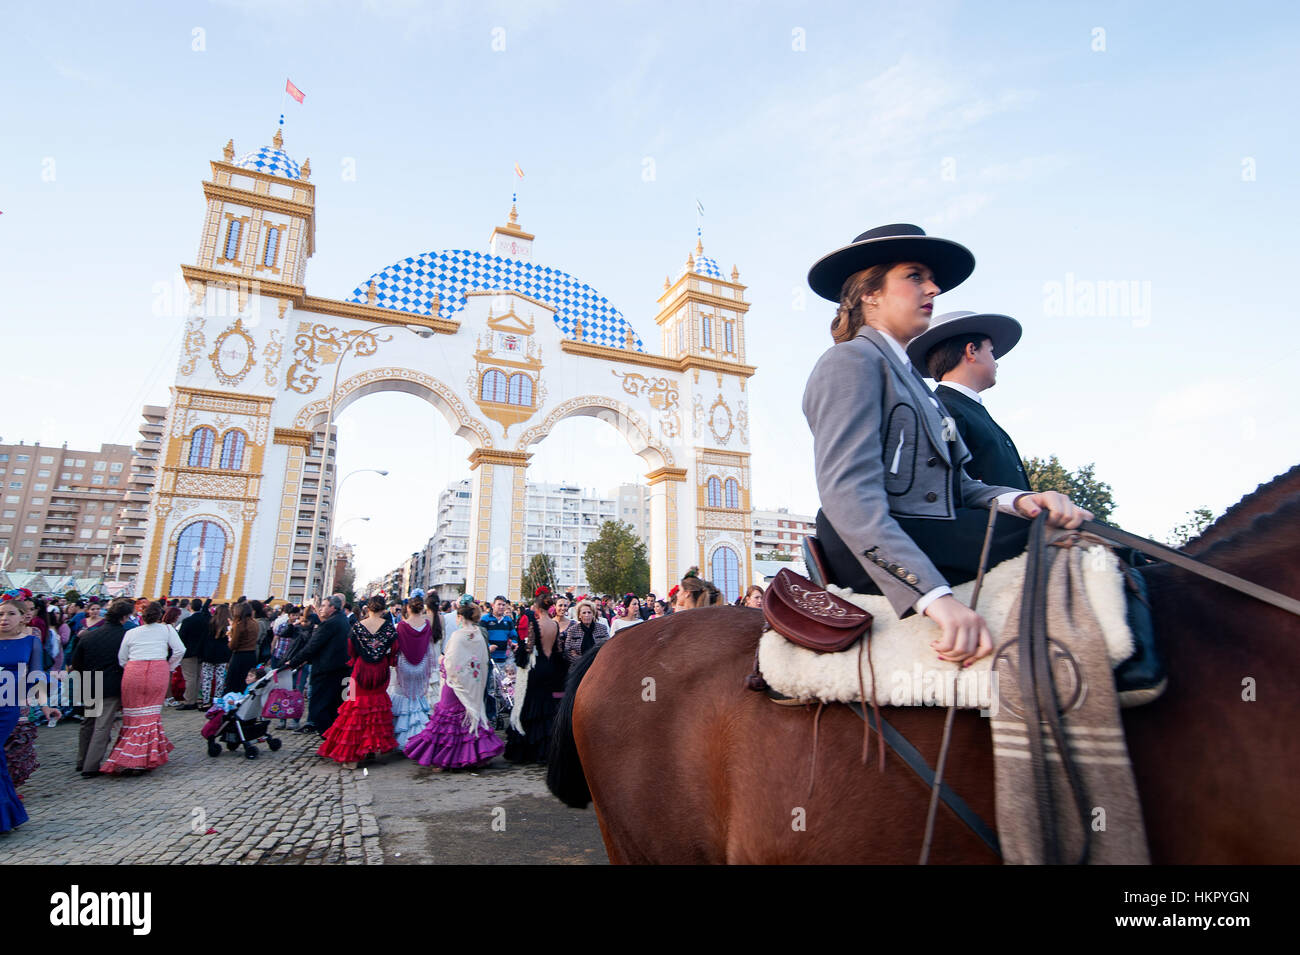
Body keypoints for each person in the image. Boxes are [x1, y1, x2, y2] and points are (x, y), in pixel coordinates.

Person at [803, 223, 1090, 666]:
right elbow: (847, 497)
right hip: (879, 540)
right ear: (869, 294)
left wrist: (1024, 500)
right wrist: (934, 596)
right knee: (1071, 545)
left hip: (933, 527)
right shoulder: (850, 361)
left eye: (930, 278)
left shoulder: (917, 385)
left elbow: (962, 486)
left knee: (1075, 531)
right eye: (914, 276)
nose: (933, 288)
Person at [404, 595, 504, 771]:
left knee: (448, 719)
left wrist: (442, 660)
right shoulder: (479, 635)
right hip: (472, 685)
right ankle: (475, 754)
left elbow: (450, 661)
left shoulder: (458, 636)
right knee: (470, 715)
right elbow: (482, 660)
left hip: (454, 684)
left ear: (460, 617)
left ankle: (445, 758)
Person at [99, 601, 185, 774]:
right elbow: (180, 650)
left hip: (133, 670)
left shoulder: (131, 632)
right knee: (151, 714)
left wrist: (132, 667)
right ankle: (143, 757)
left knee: (132, 715)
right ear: (160, 615)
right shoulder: (167, 629)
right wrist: (169, 666)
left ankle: (129, 755)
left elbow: (122, 657)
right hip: (157, 669)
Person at [318, 596, 399, 769]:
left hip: (360, 669)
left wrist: (356, 659)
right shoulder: (389, 628)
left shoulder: (358, 626)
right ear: (383, 609)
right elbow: (395, 649)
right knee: (375, 707)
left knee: (355, 707)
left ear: (367, 609)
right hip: (381, 670)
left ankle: (352, 755)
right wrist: (389, 660)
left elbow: (351, 649)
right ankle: (370, 749)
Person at [505, 588, 568, 763]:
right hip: (551, 666)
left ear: (537, 607)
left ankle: (530, 749)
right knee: (546, 707)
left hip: (536, 668)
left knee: (530, 706)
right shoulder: (555, 624)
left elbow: (529, 648)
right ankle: (547, 748)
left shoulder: (535, 623)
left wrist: (520, 656)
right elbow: (558, 649)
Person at [70, 598, 130, 776]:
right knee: (102, 725)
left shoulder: (89, 635)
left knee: (88, 722)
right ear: (124, 617)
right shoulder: (124, 637)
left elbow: (76, 663)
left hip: (90, 681)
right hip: (110, 684)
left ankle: (81, 760)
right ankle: (91, 766)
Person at [285, 595, 351, 735]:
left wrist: (292, 662)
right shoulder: (341, 620)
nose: (320, 609)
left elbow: (312, 646)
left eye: (323, 606)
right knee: (332, 707)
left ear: (332, 608)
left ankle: (329, 737)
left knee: (319, 708)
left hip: (327, 670)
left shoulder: (330, 624)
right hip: (338, 670)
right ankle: (332, 737)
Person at [391, 594, 439, 750]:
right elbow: (429, 648)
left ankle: (403, 735)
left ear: (408, 608)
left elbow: (395, 648)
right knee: (417, 697)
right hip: (421, 664)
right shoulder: (426, 625)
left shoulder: (400, 626)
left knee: (404, 697)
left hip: (404, 664)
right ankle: (418, 733)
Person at [197, 603, 231, 707]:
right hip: (223, 654)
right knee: (220, 678)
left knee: (207, 678)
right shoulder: (229, 625)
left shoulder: (210, 622)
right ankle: (217, 700)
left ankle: (206, 700)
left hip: (209, 653)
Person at [176, 599, 207, 710]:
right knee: (197, 677)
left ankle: (189, 700)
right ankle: (194, 698)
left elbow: (181, 637)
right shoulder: (205, 620)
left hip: (188, 652)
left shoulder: (188, 621)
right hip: (201, 652)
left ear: (190, 607)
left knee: (190, 677)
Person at [224, 601, 260, 692]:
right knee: (246, 682)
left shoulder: (239, 625)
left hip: (239, 656)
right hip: (251, 654)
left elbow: (233, 645)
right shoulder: (255, 623)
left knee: (233, 683)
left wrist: (229, 638)